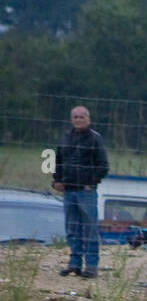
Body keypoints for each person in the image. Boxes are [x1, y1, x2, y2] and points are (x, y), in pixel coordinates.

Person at [52, 105, 108, 278]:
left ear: (88, 119)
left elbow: (103, 165)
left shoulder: (95, 139)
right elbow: (58, 161)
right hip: (69, 191)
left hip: (86, 192)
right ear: (71, 119)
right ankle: (74, 263)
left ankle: (91, 265)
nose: (78, 120)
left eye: (81, 117)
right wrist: (57, 180)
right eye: (75, 117)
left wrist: (91, 183)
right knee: (72, 229)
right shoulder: (65, 138)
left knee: (90, 228)